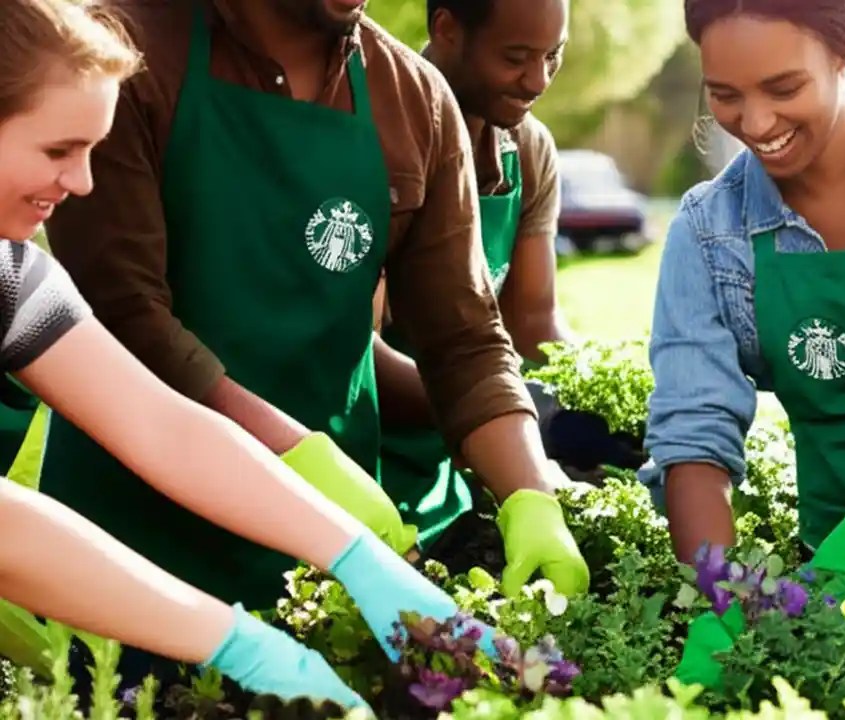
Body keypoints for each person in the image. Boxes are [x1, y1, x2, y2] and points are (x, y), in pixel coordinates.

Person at [39, 0, 589, 624]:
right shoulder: (125, 53)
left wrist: (531, 494)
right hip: (135, 547)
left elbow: (465, 342)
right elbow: (125, 315)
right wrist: (298, 461)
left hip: (332, 557)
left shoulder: (413, 100)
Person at [0, 0, 481, 707]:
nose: (82, 184)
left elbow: (162, 424)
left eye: (91, 152)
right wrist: (235, 642)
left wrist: (357, 556)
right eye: (57, 151)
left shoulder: (13, 277)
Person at [645, 0, 845, 689]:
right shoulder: (712, 233)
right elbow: (695, 434)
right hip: (834, 590)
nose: (755, 124)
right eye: (725, 96)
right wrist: (722, 596)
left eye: (783, 88)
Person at [373, 0, 641, 555]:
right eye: (516, 57)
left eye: (554, 57)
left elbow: (534, 322)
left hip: (468, 449)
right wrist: (497, 415)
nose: (538, 80)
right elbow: (360, 358)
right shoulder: (383, 136)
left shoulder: (528, 149)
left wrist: (630, 407)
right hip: (375, 462)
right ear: (446, 28)